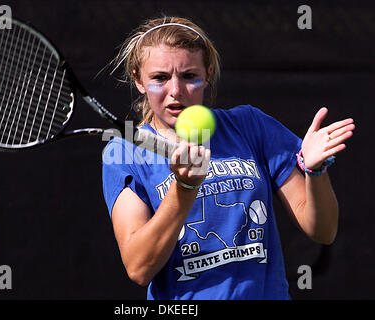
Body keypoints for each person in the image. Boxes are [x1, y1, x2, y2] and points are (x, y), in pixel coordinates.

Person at [101, 16, 355, 300]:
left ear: (207, 74)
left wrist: (315, 170)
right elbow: (139, 267)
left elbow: (323, 231)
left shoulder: (250, 126)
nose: (176, 91)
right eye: (160, 78)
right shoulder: (123, 151)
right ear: (139, 80)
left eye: (189, 76)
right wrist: (184, 190)